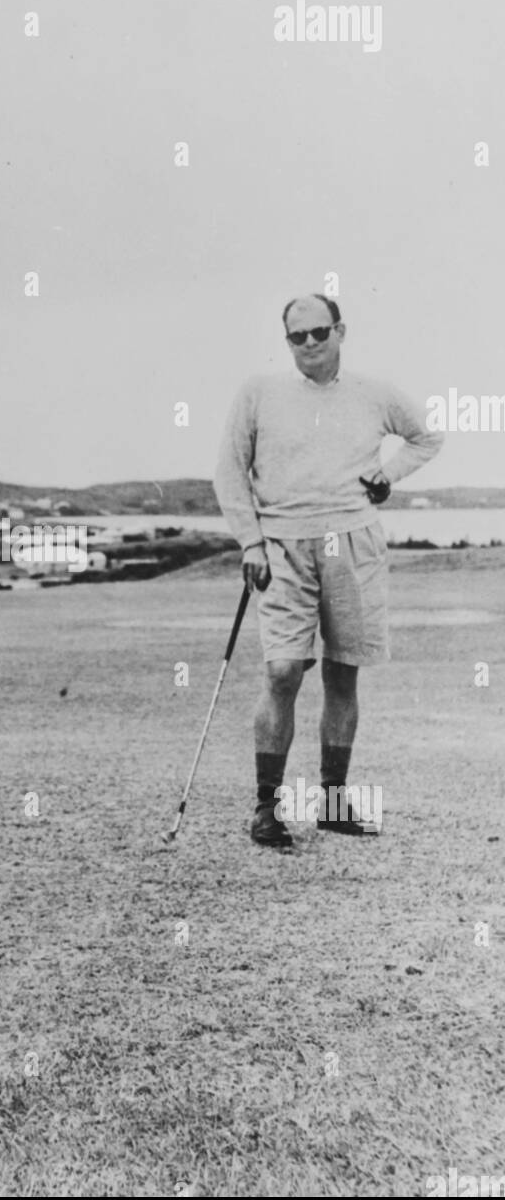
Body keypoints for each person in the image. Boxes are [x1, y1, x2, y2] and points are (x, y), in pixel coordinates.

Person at [214, 294, 443, 849]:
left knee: (343, 673)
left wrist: (387, 478)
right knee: (283, 672)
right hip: (282, 546)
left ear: (341, 330)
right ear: (286, 341)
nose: (310, 344)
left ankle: (334, 804)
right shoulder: (259, 393)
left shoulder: (373, 392)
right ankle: (266, 809)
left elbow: (427, 436)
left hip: (353, 543)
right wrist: (250, 541)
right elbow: (228, 471)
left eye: (320, 332)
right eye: (298, 337)